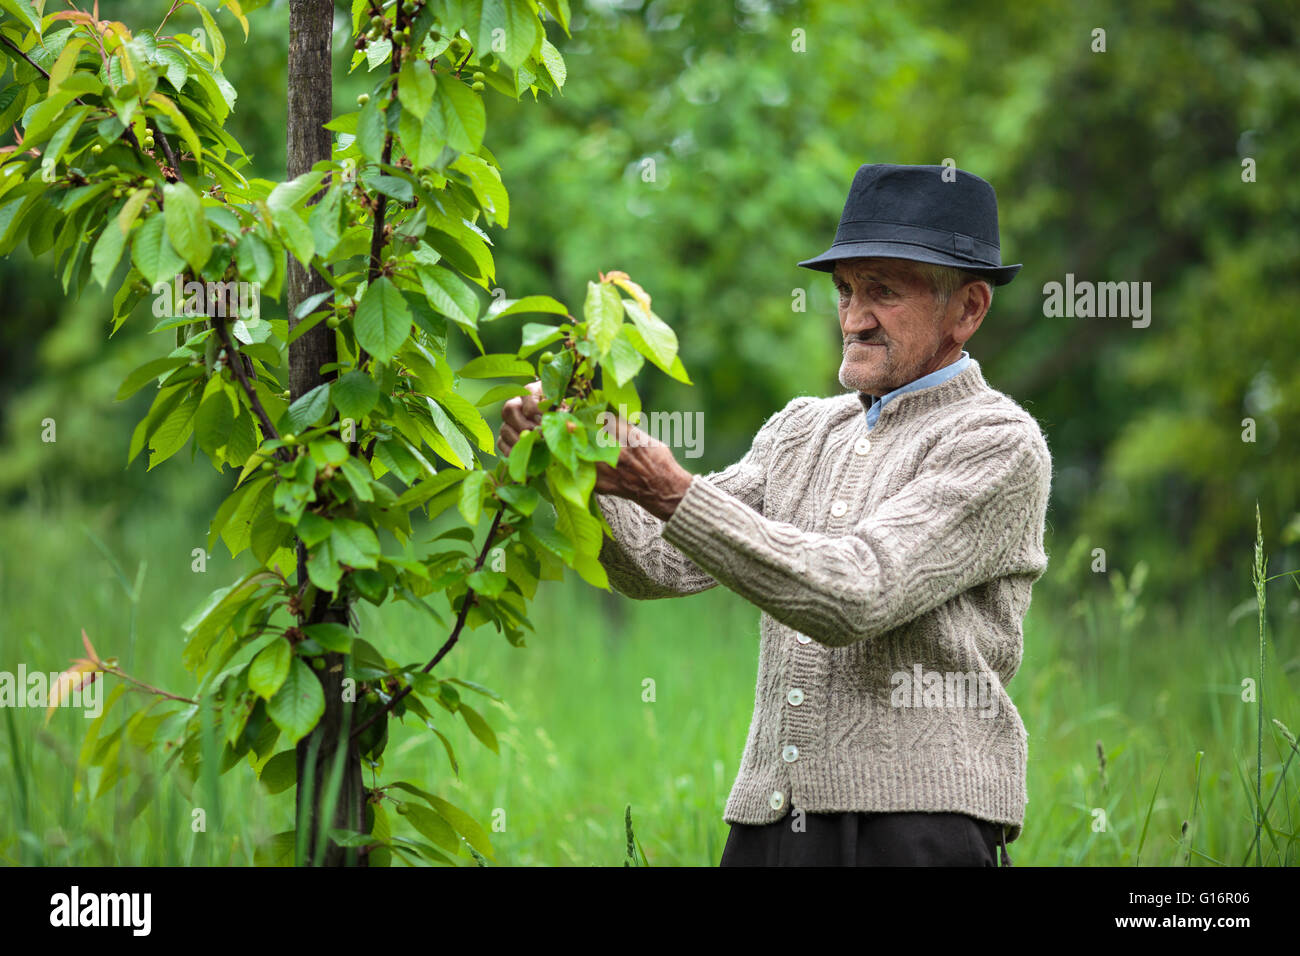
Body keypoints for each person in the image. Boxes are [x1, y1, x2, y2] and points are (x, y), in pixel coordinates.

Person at [497, 163, 1052, 866]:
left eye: (883, 290)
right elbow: (661, 564)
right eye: (845, 290)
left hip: (919, 831)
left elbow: (859, 591)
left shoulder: (997, 442)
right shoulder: (801, 430)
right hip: (768, 825)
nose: (854, 317)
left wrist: (669, 489)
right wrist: (573, 470)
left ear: (968, 308)